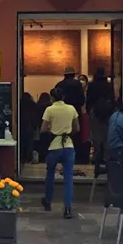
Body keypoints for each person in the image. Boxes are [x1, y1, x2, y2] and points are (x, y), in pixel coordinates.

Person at [40, 86, 78, 218]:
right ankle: (67, 208)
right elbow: (76, 128)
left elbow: (43, 129)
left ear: (52, 98)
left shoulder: (49, 110)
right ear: (63, 97)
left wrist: (53, 130)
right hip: (68, 145)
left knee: (50, 174)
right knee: (68, 178)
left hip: (54, 146)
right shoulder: (71, 109)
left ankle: (48, 201)